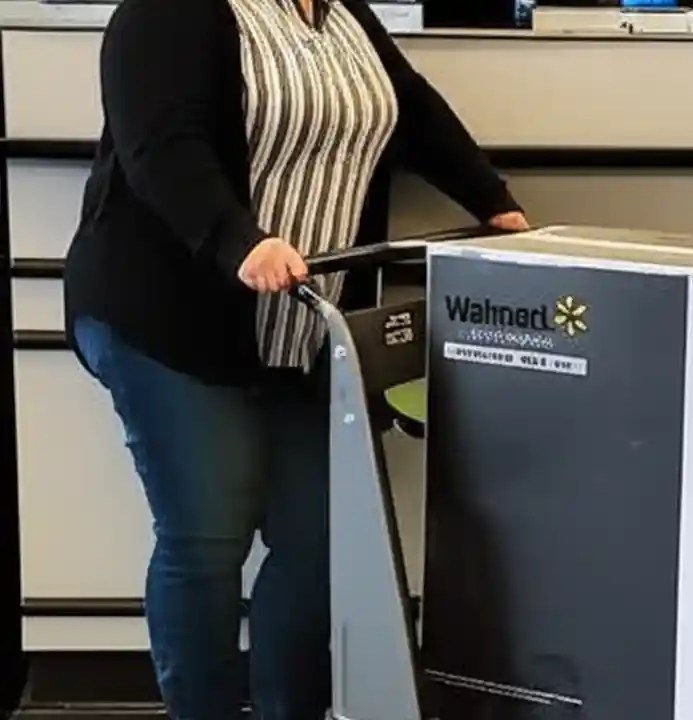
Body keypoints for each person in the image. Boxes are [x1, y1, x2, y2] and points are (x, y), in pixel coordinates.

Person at [61, 0, 529, 717]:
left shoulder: (341, 14)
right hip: (167, 320)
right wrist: (237, 239)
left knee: (319, 543)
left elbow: (411, 112)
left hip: (302, 329)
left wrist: (494, 204)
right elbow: (160, 144)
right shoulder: (168, 13)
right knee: (207, 536)